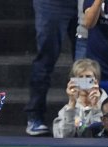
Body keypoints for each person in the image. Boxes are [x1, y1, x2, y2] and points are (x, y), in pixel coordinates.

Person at [25, 0, 79, 136]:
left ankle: (83, 116)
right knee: (45, 59)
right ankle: (34, 116)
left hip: (84, 3)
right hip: (51, 3)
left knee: (84, 63)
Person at [52, 58, 108, 138]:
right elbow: (63, 138)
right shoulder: (67, 110)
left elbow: (103, 135)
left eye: (88, 77)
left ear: (97, 80)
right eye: (80, 77)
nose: (84, 81)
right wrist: (71, 105)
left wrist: (96, 109)